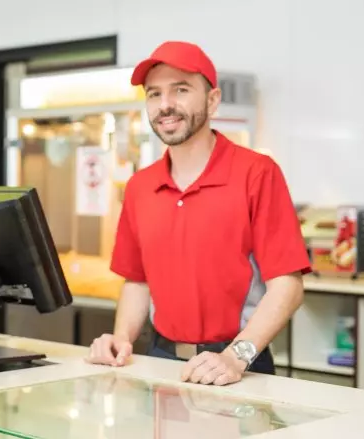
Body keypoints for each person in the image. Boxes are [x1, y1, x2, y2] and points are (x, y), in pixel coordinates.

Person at [86, 41, 310, 386]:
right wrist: (121, 339)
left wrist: (237, 357)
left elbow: (288, 286)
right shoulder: (140, 187)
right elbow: (137, 280)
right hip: (160, 361)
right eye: (154, 94)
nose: (166, 106)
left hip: (240, 365)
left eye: (181, 90)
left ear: (213, 99)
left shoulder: (257, 173)